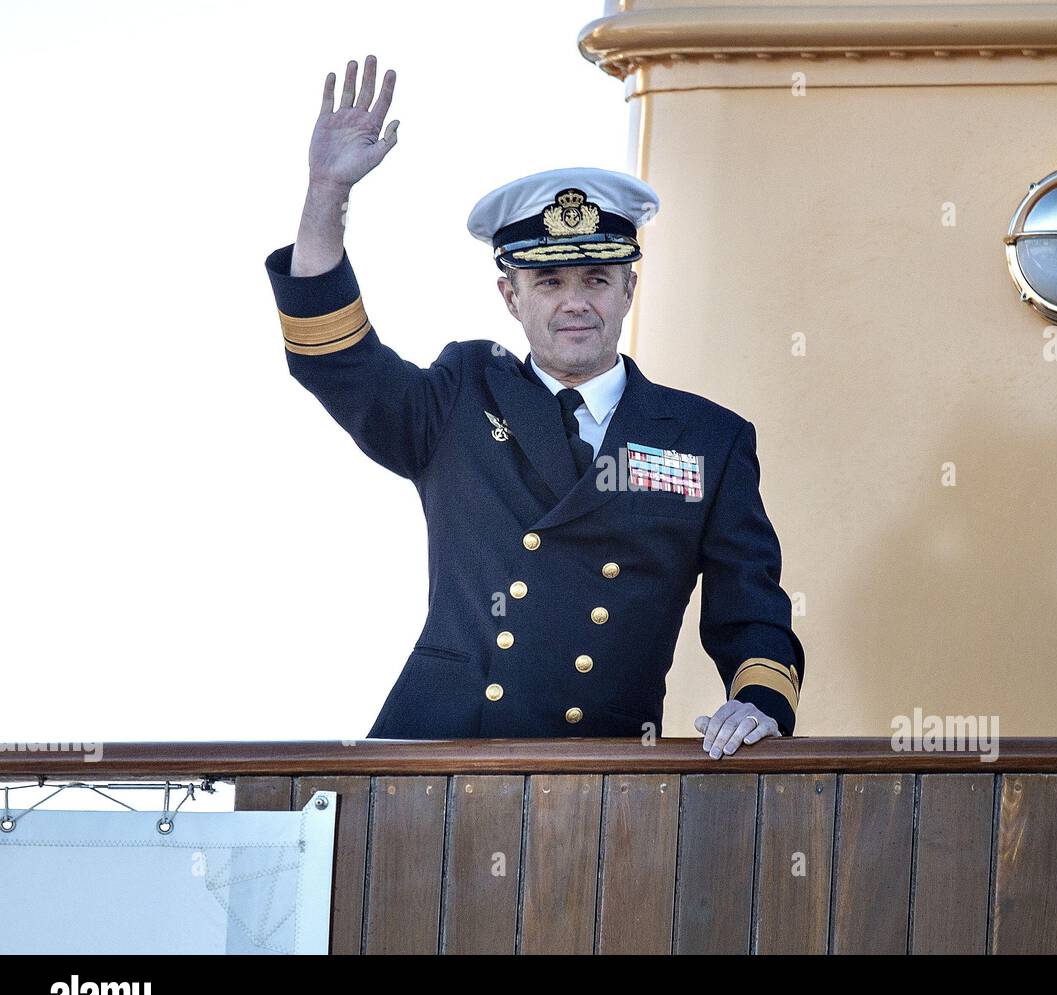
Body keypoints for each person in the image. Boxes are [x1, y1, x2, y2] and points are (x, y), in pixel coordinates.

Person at [264, 55, 804, 758]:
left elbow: (752, 608)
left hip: (607, 766)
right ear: (510, 297)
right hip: (435, 755)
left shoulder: (709, 438)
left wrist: (757, 702)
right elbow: (335, 358)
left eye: (596, 278)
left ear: (628, 290)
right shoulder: (461, 391)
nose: (575, 301)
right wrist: (326, 190)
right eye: (548, 281)